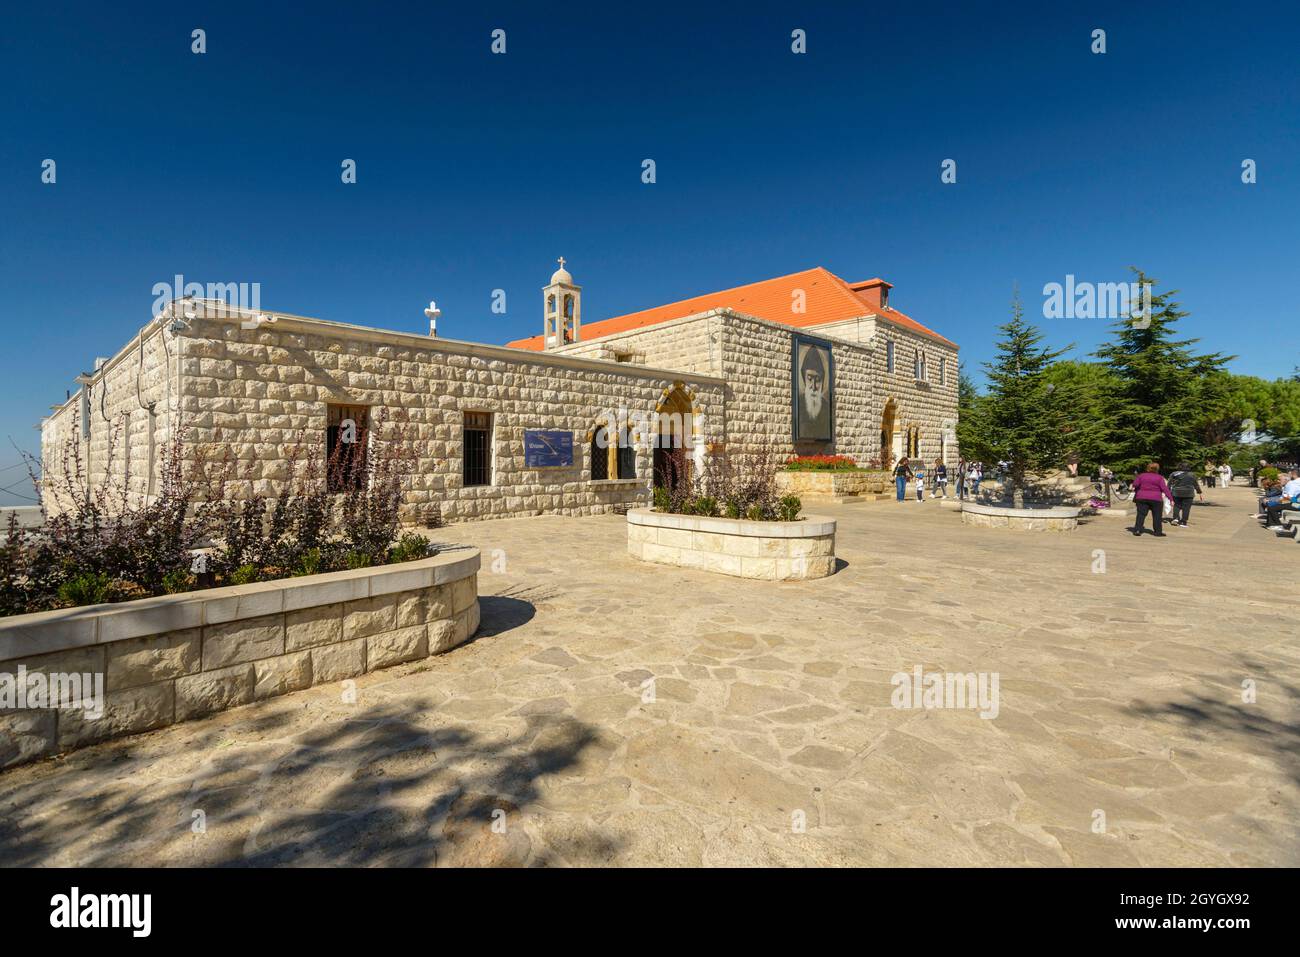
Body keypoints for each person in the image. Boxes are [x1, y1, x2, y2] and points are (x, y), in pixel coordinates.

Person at [1131, 462, 1173, 537]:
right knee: (1157, 516)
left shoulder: (1141, 476)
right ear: (1157, 469)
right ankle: (1158, 532)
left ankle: (1137, 530)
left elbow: (1135, 484)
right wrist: (1171, 499)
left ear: (1148, 468)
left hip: (1142, 497)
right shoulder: (1160, 477)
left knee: (1141, 515)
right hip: (1156, 499)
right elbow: (1164, 489)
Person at [1167, 462, 1203, 527]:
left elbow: (1169, 483)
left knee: (1176, 506)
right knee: (1186, 508)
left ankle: (1175, 519)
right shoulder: (1192, 475)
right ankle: (1183, 521)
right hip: (1189, 493)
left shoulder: (1174, 474)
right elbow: (1196, 484)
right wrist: (1199, 492)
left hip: (1176, 492)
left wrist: (1167, 491)